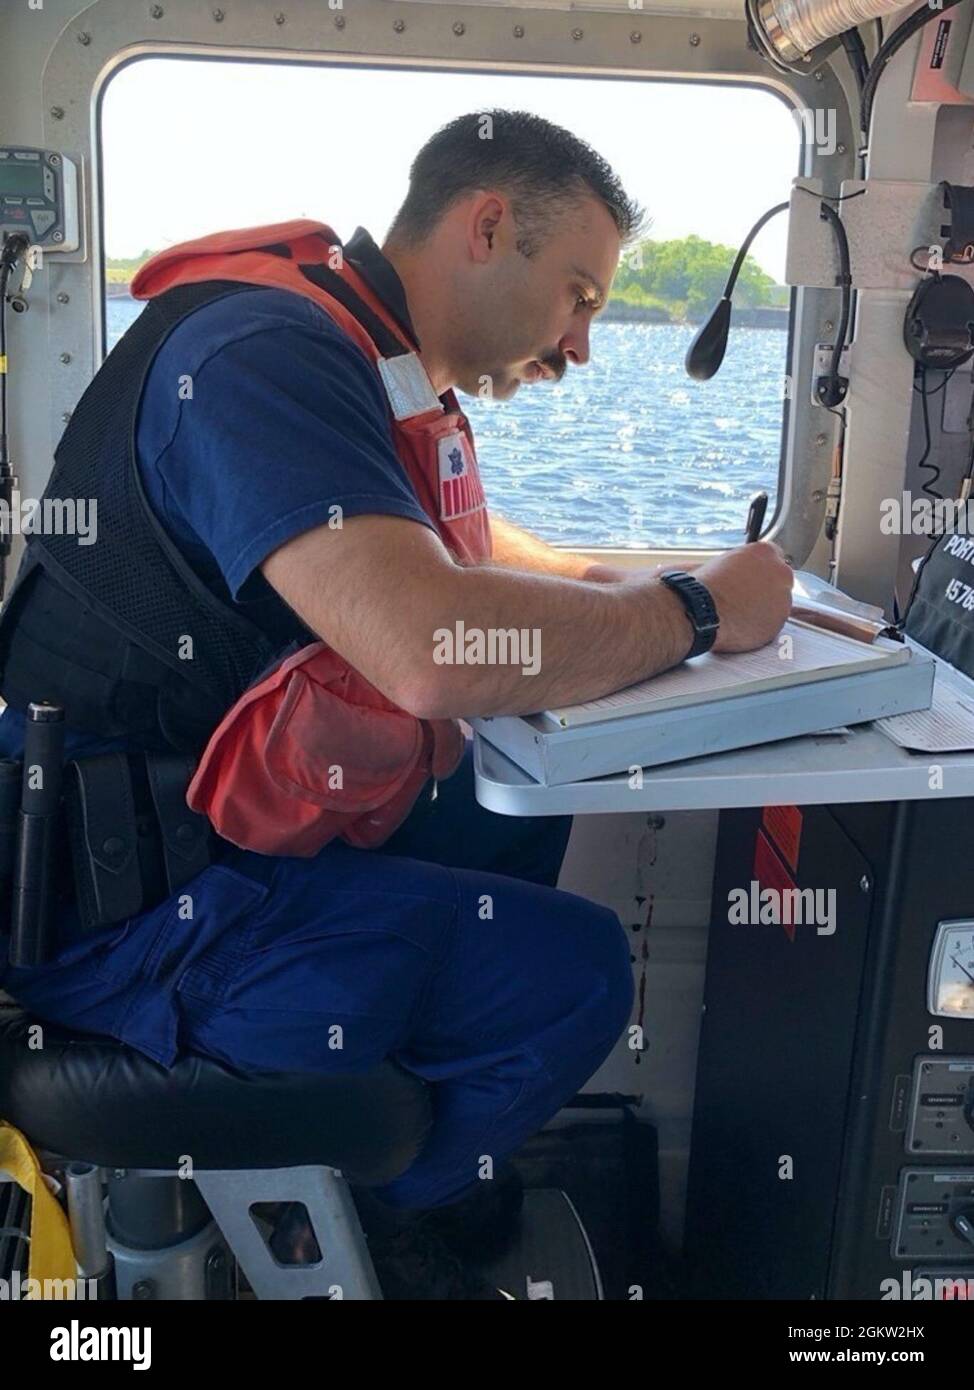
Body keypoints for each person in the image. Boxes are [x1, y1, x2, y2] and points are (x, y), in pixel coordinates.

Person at [0, 110, 792, 1298]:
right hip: (117, 913)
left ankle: (402, 1104)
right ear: (486, 228)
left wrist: (614, 591)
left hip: (172, 835)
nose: (584, 344)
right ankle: (408, 1210)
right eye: (577, 294)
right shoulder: (267, 354)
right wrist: (688, 613)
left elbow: (439, 551)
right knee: (579, 971)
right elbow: (428, 645)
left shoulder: (352, 346)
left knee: (507, 811)